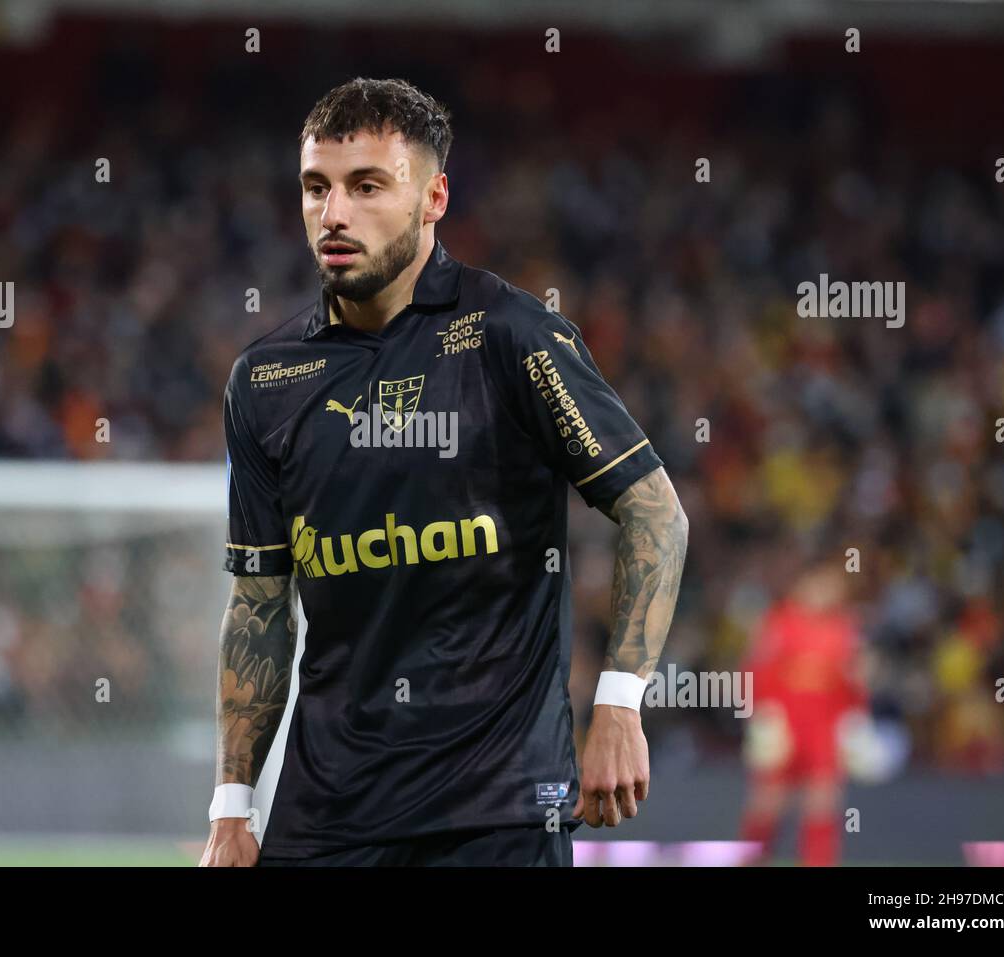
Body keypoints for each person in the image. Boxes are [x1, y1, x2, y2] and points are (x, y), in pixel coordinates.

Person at [200, 77, 688, 867]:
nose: (334, 214)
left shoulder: (511, 337)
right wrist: (231, 806)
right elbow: (259, 602)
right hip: (325, 819)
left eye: (367, 186)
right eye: (316, 187)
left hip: (494, 811)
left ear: (434, 197)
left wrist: (621, 703)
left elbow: (654, 510)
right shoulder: (265, 381)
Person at [739, 560, 869, 866]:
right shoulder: (780, 622)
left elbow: (853, 681)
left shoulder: (843, 628)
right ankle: (752, 859)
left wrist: (856, 718)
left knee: (822, 802)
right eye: (818, 584)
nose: (823, 592)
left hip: (823, 724)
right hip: (784, 722)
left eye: (831, 586)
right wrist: (762, 716)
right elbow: (756, 669)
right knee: (768, 801)